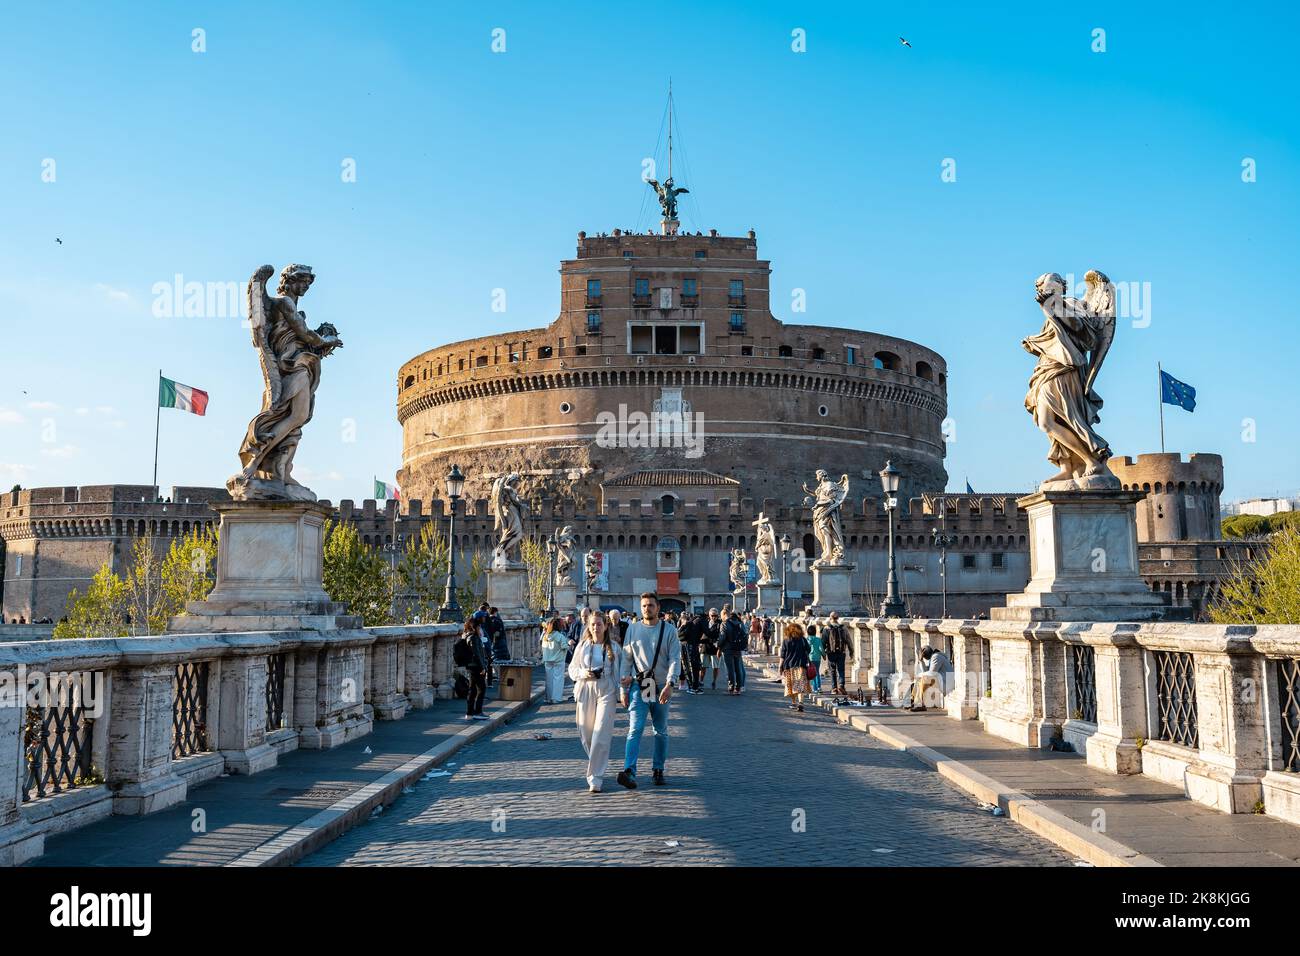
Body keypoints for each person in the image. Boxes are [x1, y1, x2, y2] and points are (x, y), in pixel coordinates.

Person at [616, 593, 681, 789]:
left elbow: (674, 658)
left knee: (660, 731)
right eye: (644, 606)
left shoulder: (669, 630)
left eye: (650, 605)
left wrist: (671, 684)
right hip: (640, 685)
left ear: (658, 608)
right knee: (634, 729)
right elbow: (626, 659)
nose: (647, 609)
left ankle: (658, 769)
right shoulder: (633, 630)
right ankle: (629, 770)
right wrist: (622, 688)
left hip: (662, 686)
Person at [569, 611, 623, 792]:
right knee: (586, 732)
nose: (595, 627)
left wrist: (622, 692)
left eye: (599, 624)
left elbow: (620, 672)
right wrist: (583, 674)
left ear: (606, 626)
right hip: (586, 688)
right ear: (588, 626)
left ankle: (595, 777)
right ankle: (598, 761)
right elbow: (572, 669)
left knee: (601, 733)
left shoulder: (614, 648)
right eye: (592, 624)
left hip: (606, 688)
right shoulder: (582, 646)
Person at [462, 619, 490, 721]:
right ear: (475, 627)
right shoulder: (473, 638)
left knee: (472, 690)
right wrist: (483, 667)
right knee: (481, 689)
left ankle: (470, 713)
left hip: (472, 666)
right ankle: (478, 711)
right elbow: (477, 654)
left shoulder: (467, 636)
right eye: (479, 627)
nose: (480, 629)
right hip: (476, 666)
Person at [909, 645, 953, 712]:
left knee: (923, 679)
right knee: (920, 680)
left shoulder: (936, 657)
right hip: (941, 680)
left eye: (923, 654)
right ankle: (915, 701)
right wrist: (921, 661)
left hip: (946, 683)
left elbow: (932, 673)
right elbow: (926, 672)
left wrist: (919, 675)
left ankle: (919, 704)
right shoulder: (933, 657)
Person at [780, 622, 811, 712]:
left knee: (792, 685)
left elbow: (782, 655)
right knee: (801, 684)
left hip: (789, 666)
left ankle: (794, 702)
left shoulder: (786, 640)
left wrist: (780, 667)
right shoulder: (803, 639)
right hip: (801, 665)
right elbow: (808, 650)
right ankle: (801, 702)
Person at [823, 612, 854, 695]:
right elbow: (848, 640)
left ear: (830, 618)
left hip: (831, 652)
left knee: (832, 670)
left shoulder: (826, 628)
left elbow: (823, 642)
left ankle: (834, 688)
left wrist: (823, 654)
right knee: (841, 669)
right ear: (838, 618)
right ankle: (841, 685)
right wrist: (851, 651)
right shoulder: (843, 628)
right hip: (841, 651)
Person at [718, 607, 748, 695]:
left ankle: (731, 687)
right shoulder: (739, 622)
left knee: (729, 669)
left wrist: (719, 647)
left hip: (728, 648)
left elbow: (722, 637)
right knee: (738, 668)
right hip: (737, 648)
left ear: (723, 615)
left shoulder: (724, 623)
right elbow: (744, 634)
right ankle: (738, 688)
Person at [540, 616, 568, 704]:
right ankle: (556, 698)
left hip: (547, 660)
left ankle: (548, 697)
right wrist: (569, 645)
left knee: (549, 680)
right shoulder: (560, 636)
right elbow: (564, 647)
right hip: (558, 660)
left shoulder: (545, 636)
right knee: (558, 680)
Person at [677, 610, 703, 694]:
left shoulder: (687, 625)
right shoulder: (692, 624)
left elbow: (680, 636)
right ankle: (694, 686)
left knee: (690, 668)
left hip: (688, 649)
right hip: (692, 647)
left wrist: (682, 627)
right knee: (693, 667)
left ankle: (693, 687)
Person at [698, 611, 722, 690]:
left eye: (716, 615)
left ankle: (714, 681)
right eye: (712, 615)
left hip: (715, 648)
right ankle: (701, 681)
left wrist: (719, 648)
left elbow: (721, 636)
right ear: (709, 615)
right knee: (703, 666)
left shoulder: (720, 624)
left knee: (716, 667)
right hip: (705, 647)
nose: (714, 617)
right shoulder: (705, 623)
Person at [806, 623, 824, 693]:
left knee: (812, 673)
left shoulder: (807, 640)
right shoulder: (818, 639)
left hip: (810, 658)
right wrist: (824, 655)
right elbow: (821, 649)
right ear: (815, 632)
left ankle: (814, 688)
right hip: (817, 658)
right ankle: (819, 687)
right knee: (817, 672)